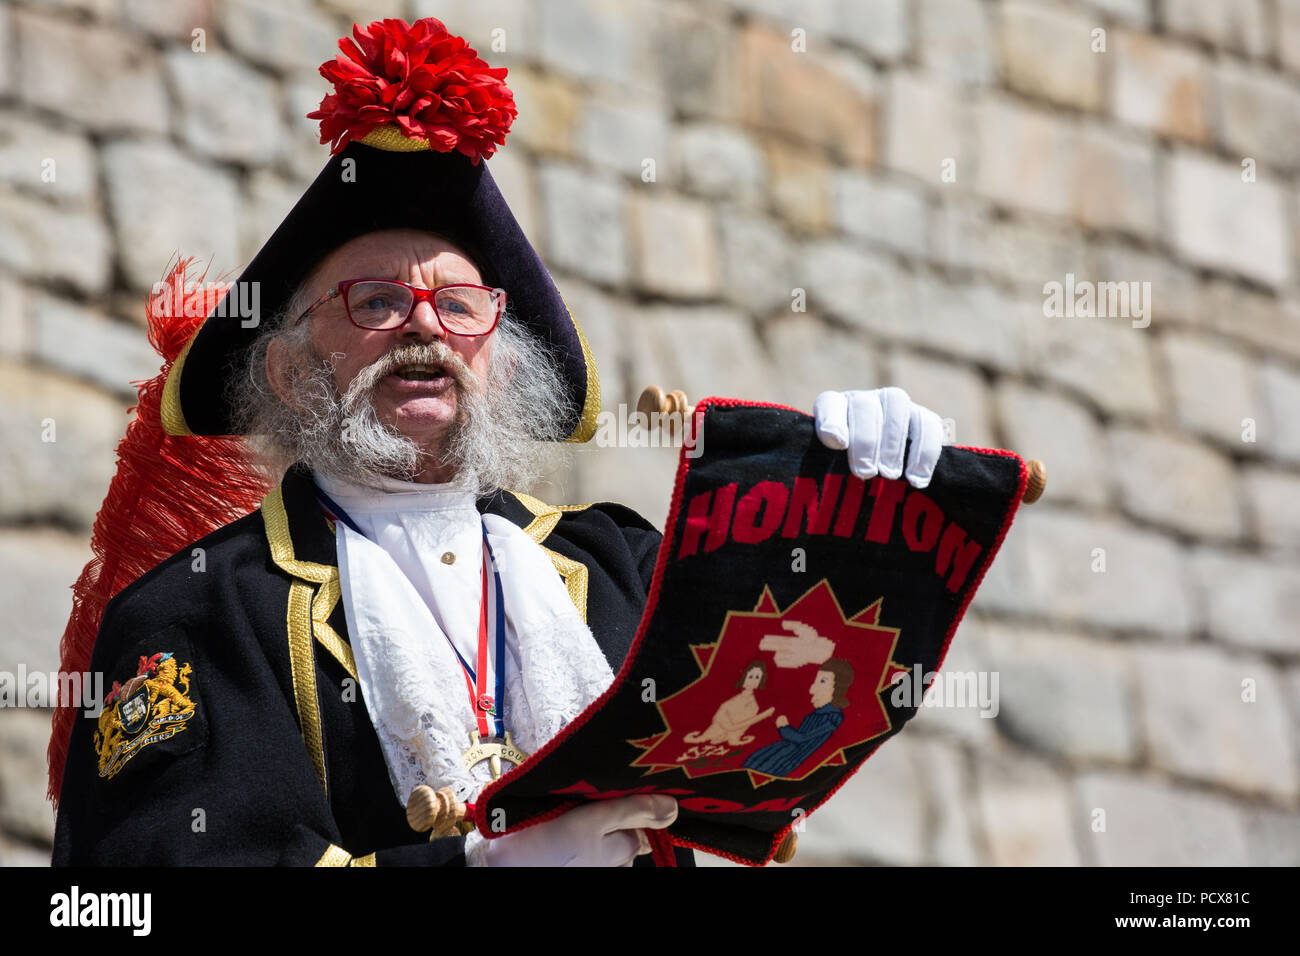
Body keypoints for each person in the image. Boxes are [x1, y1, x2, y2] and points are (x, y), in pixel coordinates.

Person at [49, 17, 945, 867]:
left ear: (503, 370)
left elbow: (802, 695)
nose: (422, 329)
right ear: (286, 373)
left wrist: (858, 504)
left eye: (460, 306)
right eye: (375, 301)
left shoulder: (615, 565)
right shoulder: (205, 609)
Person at [743, 660, 855, 779]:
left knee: (758, 768)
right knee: (753, 762)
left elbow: (801, 738)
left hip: (788, 759)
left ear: (837, 686)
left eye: (822, 681)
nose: (814, 687)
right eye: (817, 680)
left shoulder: (833, 717)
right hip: (784, 751)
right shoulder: (816, 714)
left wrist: (783, 727)